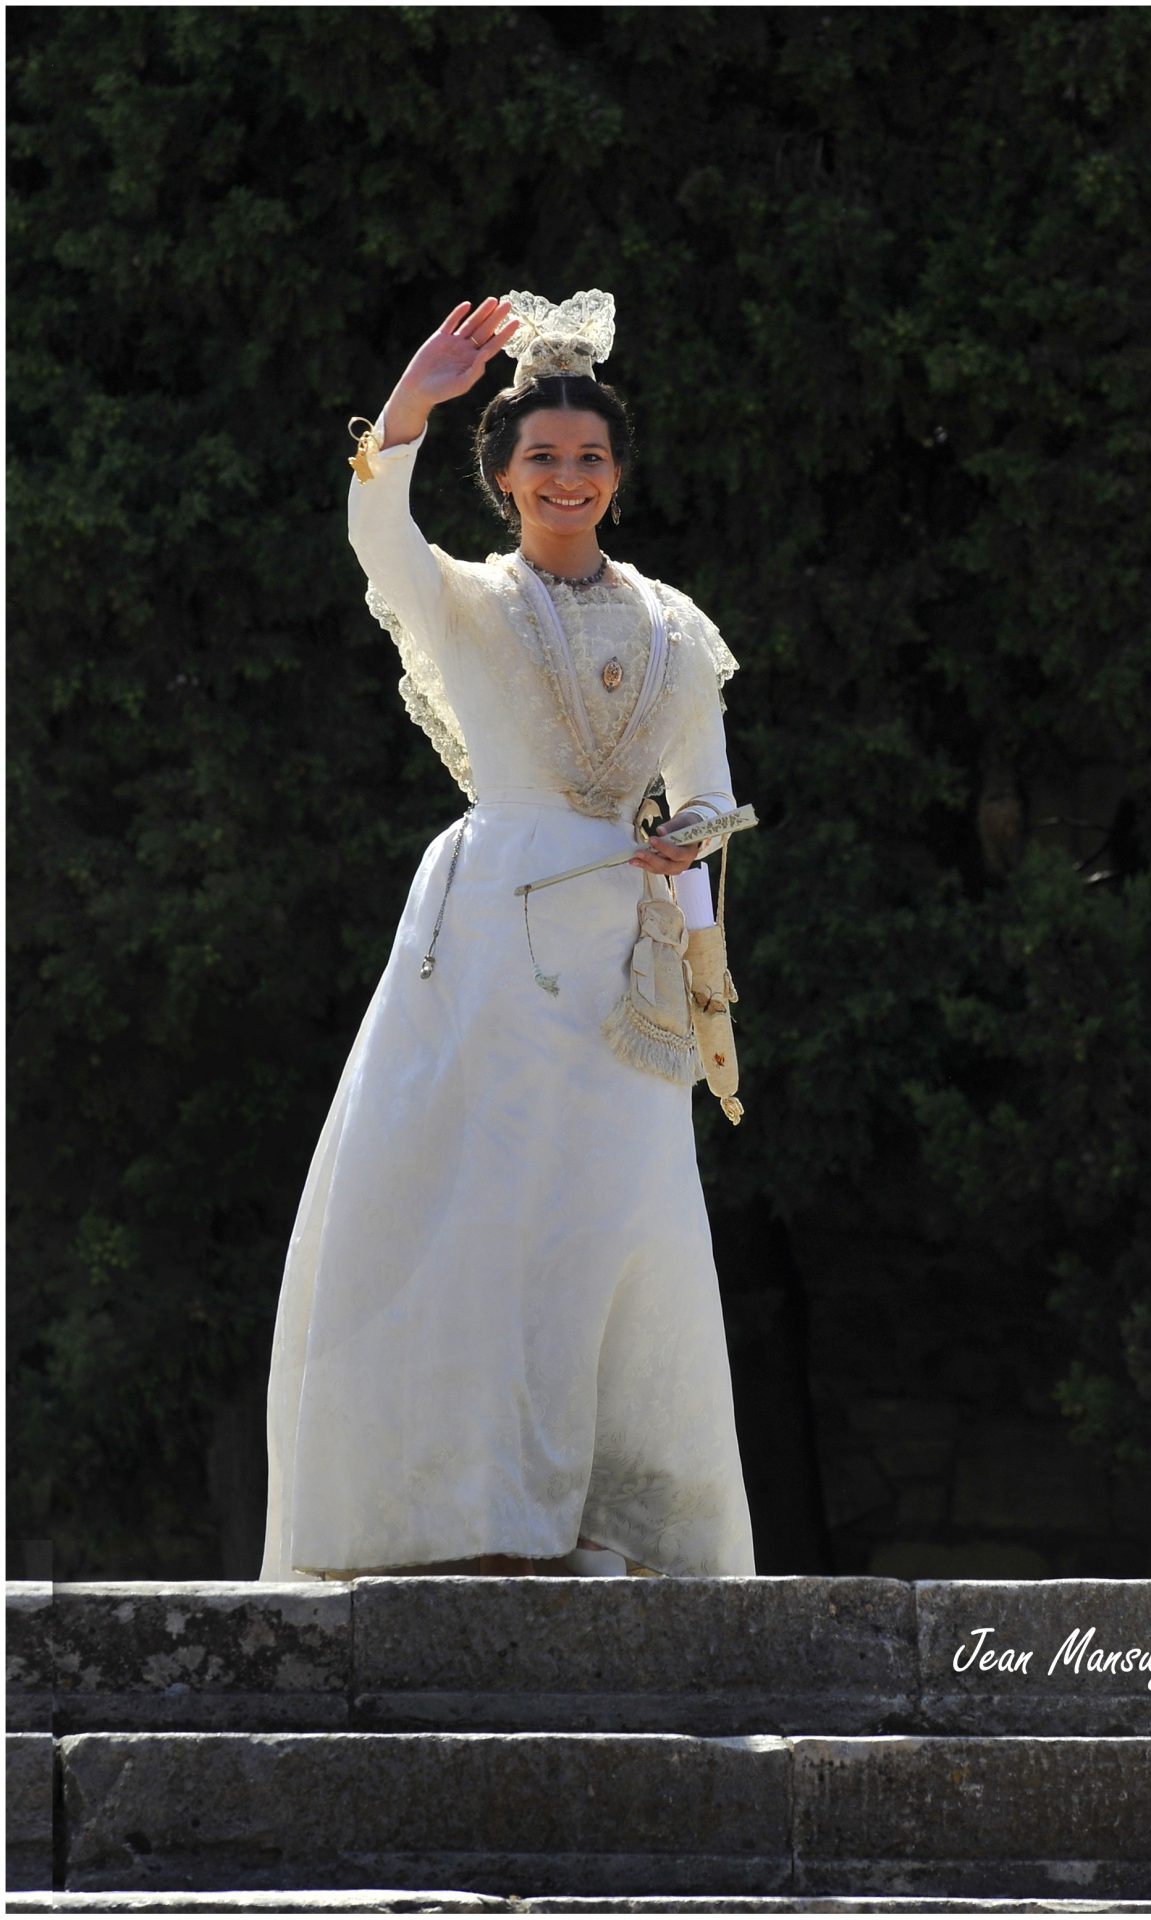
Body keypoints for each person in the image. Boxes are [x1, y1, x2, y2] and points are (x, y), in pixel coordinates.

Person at [258, 290, 755, 1582]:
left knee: (611, 1223)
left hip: (622, 945)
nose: (568, 477)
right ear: (499, 476)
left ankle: (607, 1518)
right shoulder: (468, 603)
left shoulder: (672, 627)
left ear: (617, 474)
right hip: (491, 924)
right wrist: (410, 403)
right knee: (476, 1214)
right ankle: (470, 1518)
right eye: (542, 457)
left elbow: (705, 789)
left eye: (589, 457)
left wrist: (685, 842)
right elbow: (378, 533)